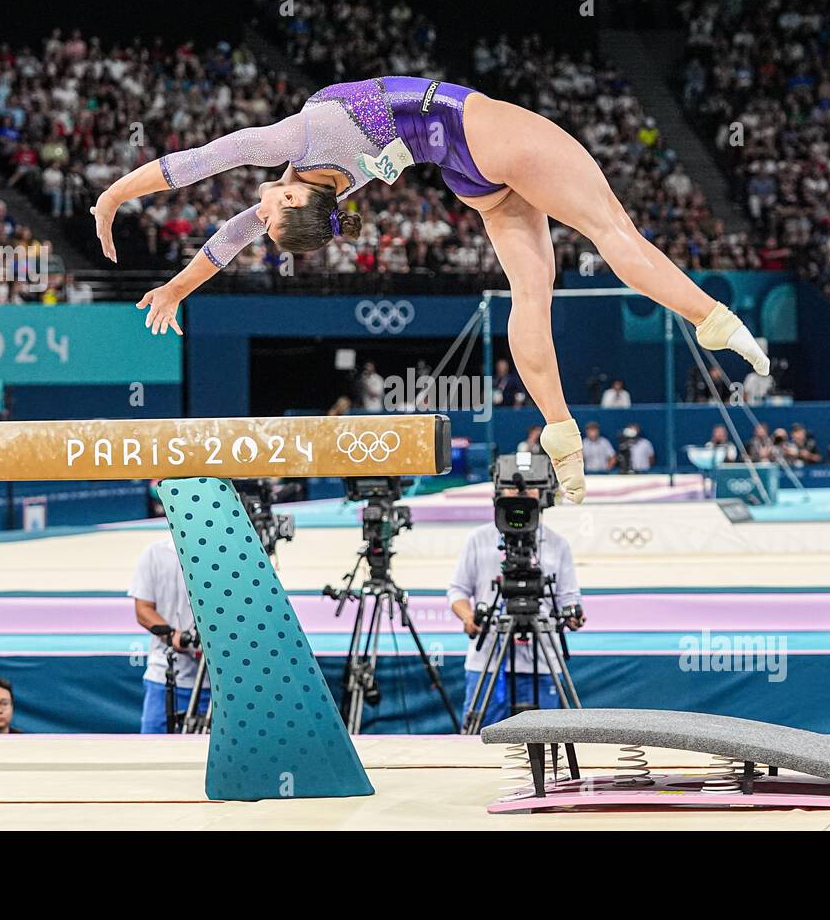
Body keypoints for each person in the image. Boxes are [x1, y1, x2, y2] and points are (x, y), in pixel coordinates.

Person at [93, 76, 769, 505]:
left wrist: (144, 236)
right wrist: (132, 224)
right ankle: (713, 320)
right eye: (272, 215)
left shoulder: (310, 161)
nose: (258, 210)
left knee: (533, 291)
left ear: (297, 194)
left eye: (269, 214)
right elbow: (220, 197)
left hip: (470, 175)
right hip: (486, 134)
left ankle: (562, 437)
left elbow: (214, 189)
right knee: (608, 228)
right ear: (299, 196)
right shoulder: (308, 164)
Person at [447, 485, 582, 726]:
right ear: (498, 493)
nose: (521, 492)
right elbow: (457, 590)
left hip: (541, 661)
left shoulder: (557, 543)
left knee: (547, 745)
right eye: (512, 486)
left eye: (529, 486)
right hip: (486, 661)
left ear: (542, 494)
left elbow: (569, 598)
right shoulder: (478, 538)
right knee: (478, 743)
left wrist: (573, 615)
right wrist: (468, 617)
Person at [129, 537, 210, 733]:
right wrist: (172, 635)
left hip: (214, 683)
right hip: (164, 677)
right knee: (153, 753)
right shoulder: (155, 554)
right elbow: (143, 609)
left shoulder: (226, 557)